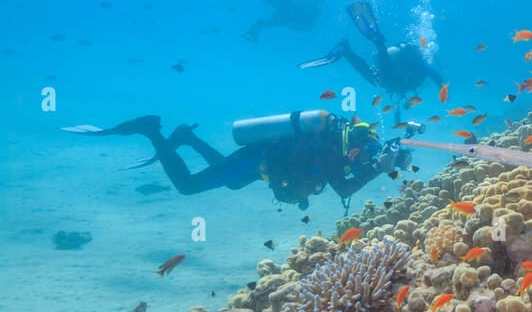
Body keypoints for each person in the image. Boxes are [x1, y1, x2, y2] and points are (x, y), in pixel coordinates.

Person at [62, 112, 418, 209]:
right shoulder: (327, 148)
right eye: (360, 150)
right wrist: (379, 167)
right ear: (347, 140)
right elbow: (343, 187)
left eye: (366, 153)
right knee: (188, 187)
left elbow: (351, 173)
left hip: (266, 169)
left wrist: (381, 162)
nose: (360, 157)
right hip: (258, 159)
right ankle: (150, 130)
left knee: (231, 182)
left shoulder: (344, 150)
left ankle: (187, 137)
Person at [299, 1, 443, 96]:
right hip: (391, 76)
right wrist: (443, 89)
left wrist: (442, 87)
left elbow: (435, 75)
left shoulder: (420, 66)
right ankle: (350, 50)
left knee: (376, 76)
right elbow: (435, 74)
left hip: (390, 72)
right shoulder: (422, 66)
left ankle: (355, 48)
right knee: (375, 77)